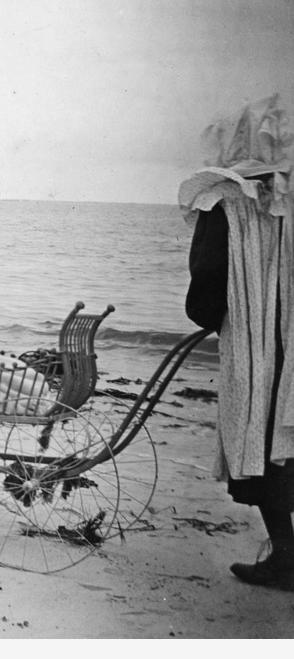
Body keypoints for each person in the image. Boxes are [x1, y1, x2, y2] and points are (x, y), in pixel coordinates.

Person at [181, 94, 294, 591]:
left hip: (260, 347)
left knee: (263, 439)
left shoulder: (225, 204)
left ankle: (285, 557)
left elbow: (206, 285)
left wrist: (207, 314)